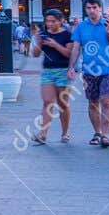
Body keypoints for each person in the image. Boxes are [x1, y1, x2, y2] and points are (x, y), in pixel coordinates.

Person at [68, 0, 109, 148]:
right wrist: (71, 67)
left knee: (106, 100)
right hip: (88, 71)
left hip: (108, 69)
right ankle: (97, 132)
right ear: (85, 10)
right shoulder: (81, 27)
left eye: (95, 8)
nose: (92, 10)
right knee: (93, 102)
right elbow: (76, 48)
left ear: (100, 8)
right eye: (89, 8)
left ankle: (106, 135)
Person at [29, 8, 73, 145]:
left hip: (63, 71)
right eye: (47, 21)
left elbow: (69, 54)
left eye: (53, 21)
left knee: (62, 104)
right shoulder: (43, 34)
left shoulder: (67, 35)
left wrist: (55, 45)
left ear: (61, 21)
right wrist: (37, 43)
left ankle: (65, 133)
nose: (49, 24)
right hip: (47, 71)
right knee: (47, 102)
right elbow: (35, 54)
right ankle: (43, 134)